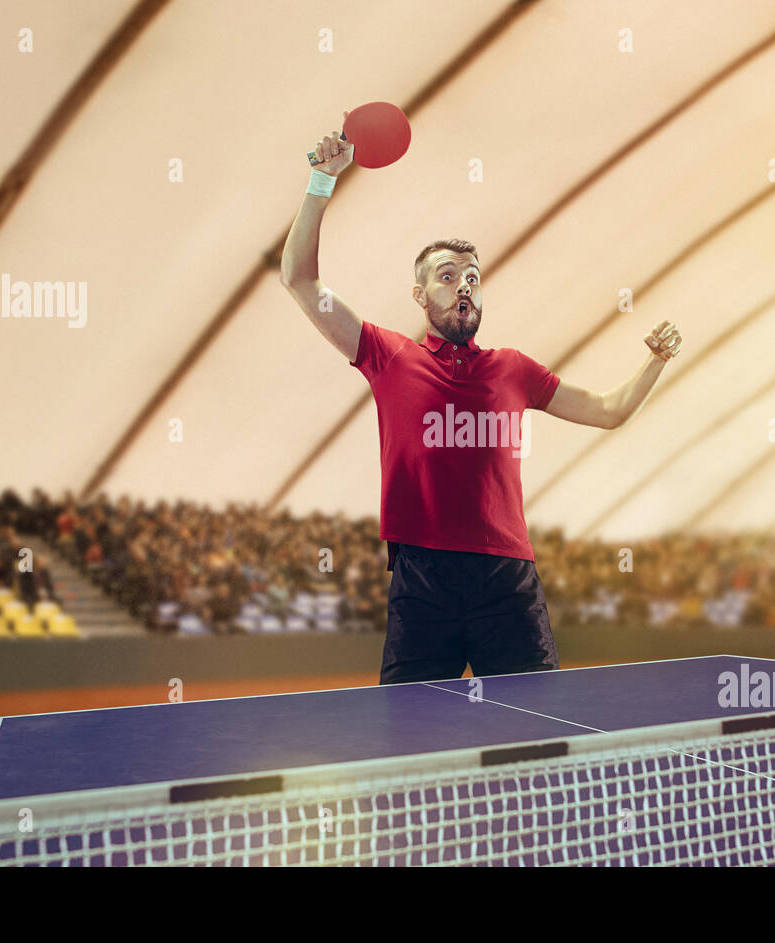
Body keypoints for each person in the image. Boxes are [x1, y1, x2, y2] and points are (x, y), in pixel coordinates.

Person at [279, 117, 682, 684]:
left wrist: (655, 362)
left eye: (472, 276)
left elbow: (609, 411)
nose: (464, 284)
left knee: (537, 729)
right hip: (423, 578)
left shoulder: (514, 370)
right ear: (420, 296)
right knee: (412, 731)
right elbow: (300, 281)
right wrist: (322, 181)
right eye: (448, 276)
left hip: (507, 580)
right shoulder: (387, 356)